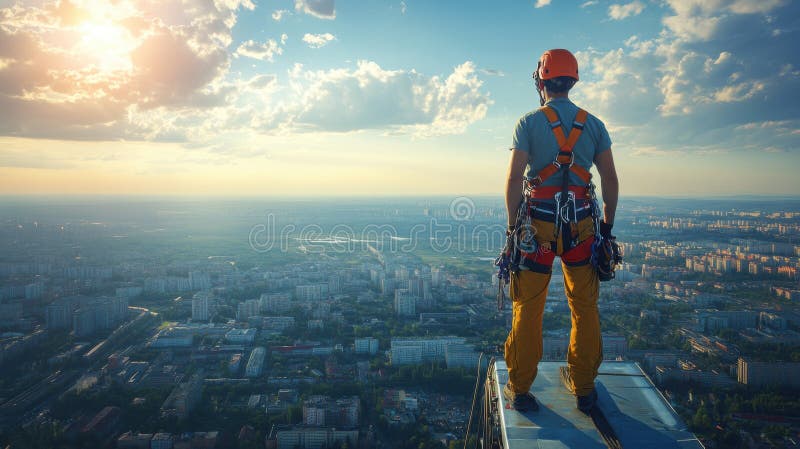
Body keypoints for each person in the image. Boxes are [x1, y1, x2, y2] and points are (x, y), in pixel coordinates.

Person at [502, 49, 619, 413]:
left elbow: (511, 181)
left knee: (528, 307)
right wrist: (607, 228)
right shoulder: (594, 125)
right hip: (582, 227)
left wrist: (511, 230)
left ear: (542, 80)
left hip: (536, 228)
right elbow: (611, 181)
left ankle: (520, 389)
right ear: (572, 80)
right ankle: (583, 387)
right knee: (584, 308)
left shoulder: (529, 123)